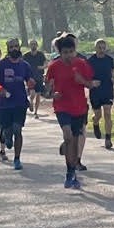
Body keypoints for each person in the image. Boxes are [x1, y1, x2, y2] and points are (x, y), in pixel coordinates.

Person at [44, 32, 95, 188]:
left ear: (75, 51)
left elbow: (91, 84)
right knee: (68, 137)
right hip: (62, 106)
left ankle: (71, 171)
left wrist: (83, 81)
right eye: (64, 52)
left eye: (71, 52)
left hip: (78, 107)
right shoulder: (54, 66)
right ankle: (69, 171)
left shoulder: (81, 64)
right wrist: (53, 94)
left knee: (73, 142)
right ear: (59, 53)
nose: (68, 55)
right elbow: (47, 90)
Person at [0, 40, 34, 170]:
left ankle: (17, 159)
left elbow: (29, 80)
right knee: (7, 130)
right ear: (7, 49)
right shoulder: (0, 64)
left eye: (16, 46)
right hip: (4, 104)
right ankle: (7, 139)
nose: (14, 49)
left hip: (20, 103)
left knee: (17, 130)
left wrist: (31, 83)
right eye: (11, 47)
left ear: (19, 47)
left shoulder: (24, 65)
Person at [88, 39, 114, 146]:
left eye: (103, 48)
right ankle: (95, 122)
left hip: (107, 89)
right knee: (98, 115)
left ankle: (108, 139)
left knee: (108, 113)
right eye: (99, 48)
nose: (101, 50)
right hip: (95, 91)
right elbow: (86, 76)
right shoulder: (90, 60)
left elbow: (112, 72)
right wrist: (91, 82)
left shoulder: (110, 60)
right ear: (95, 48)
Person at [25, 40, 48, 115]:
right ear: (29, 46)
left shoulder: (40, 54)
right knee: (32, 93)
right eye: (32, 44)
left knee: (38, 94)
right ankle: (31, 102)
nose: (33, 46)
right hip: (30, 77)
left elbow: (46, 64)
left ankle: (36, 112)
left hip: (39, 77)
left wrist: (42, 67)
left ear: (37, 45)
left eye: (34, 44)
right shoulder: (26, 55)